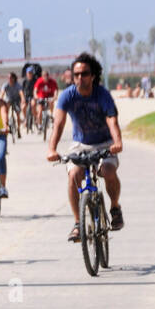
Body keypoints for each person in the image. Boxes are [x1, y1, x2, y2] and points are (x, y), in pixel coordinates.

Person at [47, 50, 124, 240]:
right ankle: (78, 223)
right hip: (80, 144)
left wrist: (117, 142)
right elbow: (58, 123)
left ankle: (114, 207)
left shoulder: (102, 94)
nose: (80, 78)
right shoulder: (67, 95)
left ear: (93, 76)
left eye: (85, 74)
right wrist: (52, 149)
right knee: (74, 175)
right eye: (77, 74)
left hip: (105, 144)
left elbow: (111, 119)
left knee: (108, 171)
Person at [2, 71, 23, 137]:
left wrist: (23, 99)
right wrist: (0, 100)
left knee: (17, 114)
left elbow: (21, 93)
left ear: (14, 78)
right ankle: (6, 125)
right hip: (9, 99)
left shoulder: (17, 85)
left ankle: (18, 129)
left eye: (11, 77)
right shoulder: (6, 85)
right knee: (5, 110)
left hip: (16, 100)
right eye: (8, 78)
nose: (9, 79)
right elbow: (2, 93)